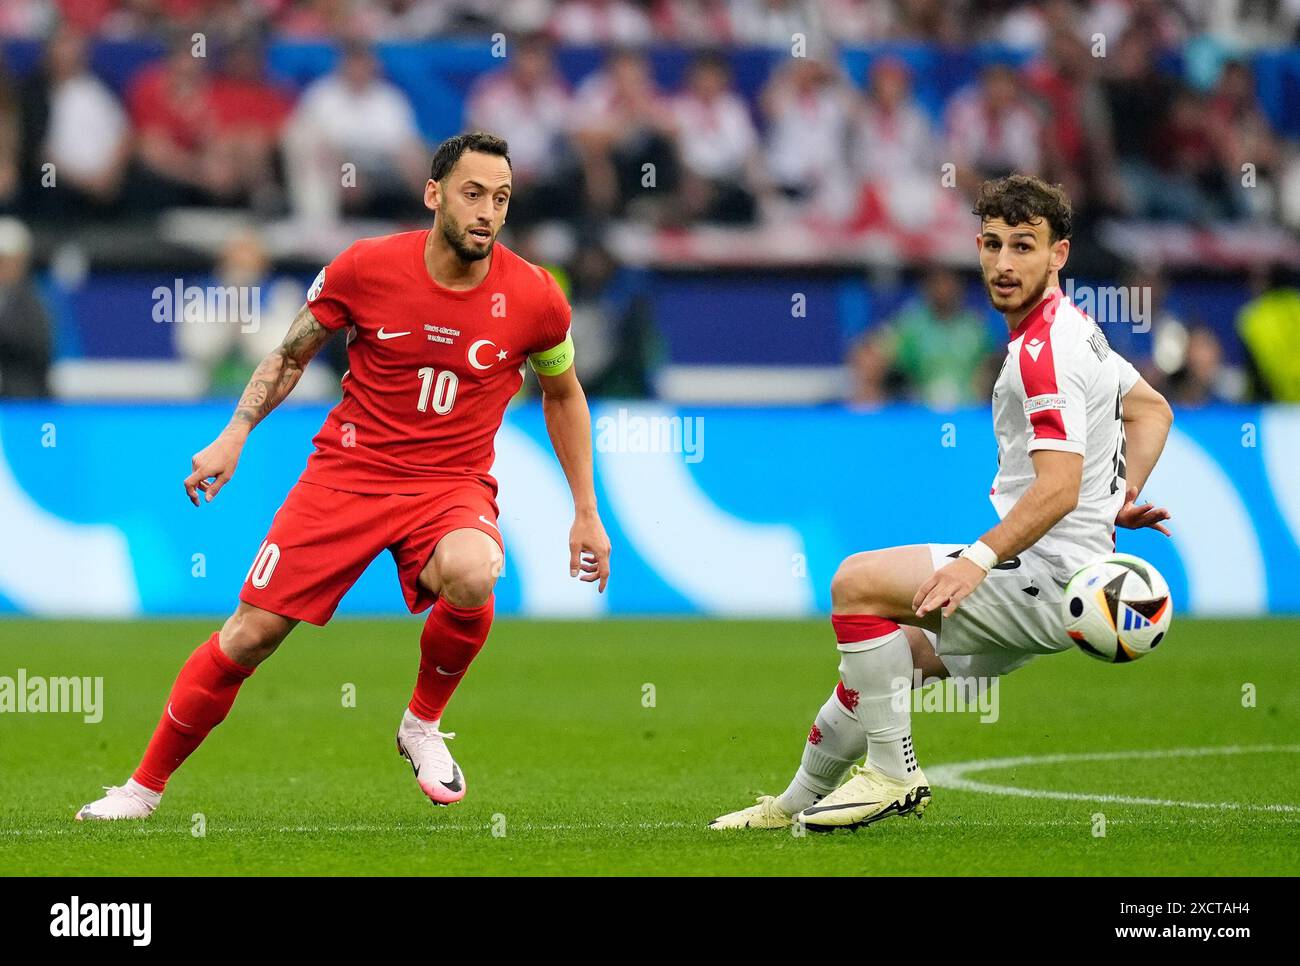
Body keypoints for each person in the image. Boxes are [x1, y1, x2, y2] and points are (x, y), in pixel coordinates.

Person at [77, 132, 613, 821]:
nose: (487, 211)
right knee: (249, 636)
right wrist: (234, 434)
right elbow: (290, 355)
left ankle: (421, 723)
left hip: (450, 487)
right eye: (473, 193)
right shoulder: (364, 269)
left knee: (476, 572)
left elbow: (564, 394)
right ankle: (141, 790)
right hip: (348, 477)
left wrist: (585, 510)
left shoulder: (536, 296)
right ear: (435, 195)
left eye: (501, 198)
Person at [712, 175, 1175, 831]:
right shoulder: (1080, 330)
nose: (1004, 263)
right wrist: (1119, 496)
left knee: (856, 582)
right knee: (888, 660)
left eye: (1024, 246)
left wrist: (976, 561)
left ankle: (894, 774)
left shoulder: (1043, 354)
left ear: (1059, 255)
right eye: (992, 244)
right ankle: (790, 806)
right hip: (1063, 569)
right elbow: (1152, 409)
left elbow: (1058, 487)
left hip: (1043, 577)